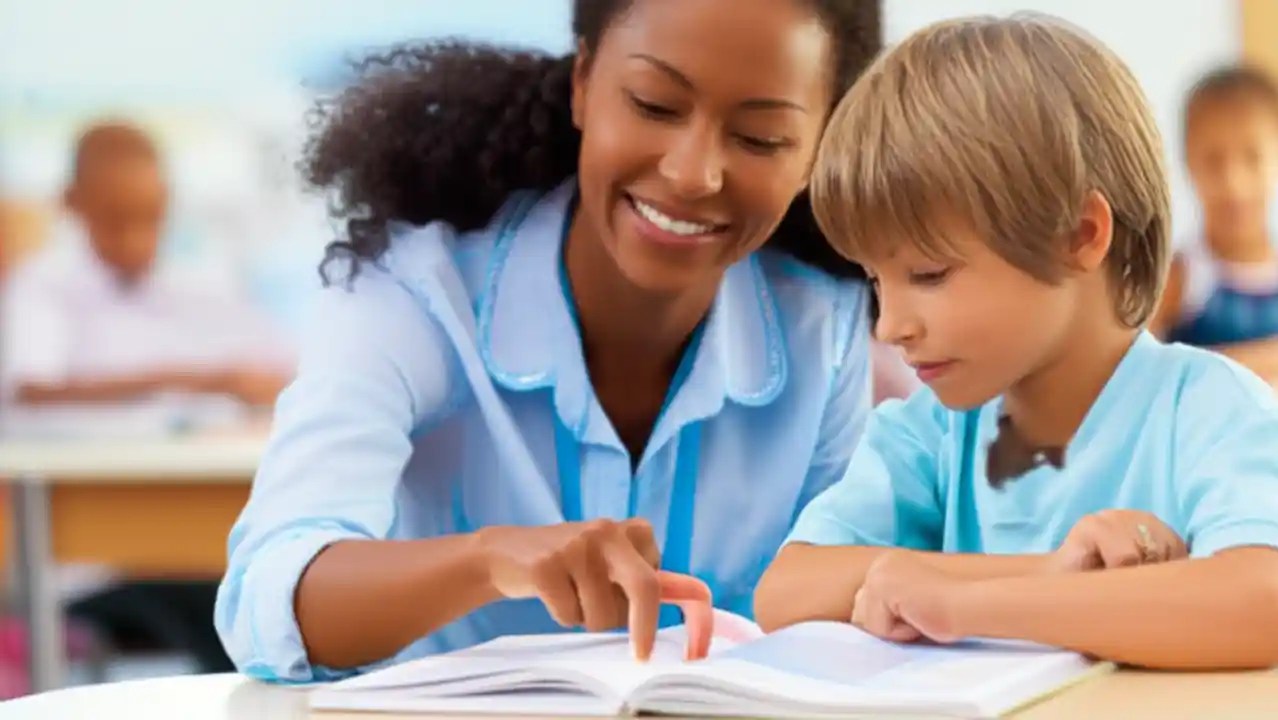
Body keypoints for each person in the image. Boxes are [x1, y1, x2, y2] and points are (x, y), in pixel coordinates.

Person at [215, 0, 882, 682]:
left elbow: (840, 616)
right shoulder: (414, 293)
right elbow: (269, 606)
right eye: (654, 105)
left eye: (761, 139)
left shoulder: (824, 327)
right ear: (583, 83)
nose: (693, 173)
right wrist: (487, 561)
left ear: (818, 150)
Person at [755, 14, 1278, 670]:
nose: (889, 327)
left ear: (1079, 236)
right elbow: (786, 592)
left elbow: (1262, 601)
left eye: (928, 274)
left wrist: (964, 604)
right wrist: (1051, 574)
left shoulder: (1209, 409)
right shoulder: (928, 433)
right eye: (875, 281)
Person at [0, 121, 292, 410]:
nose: (135, 241)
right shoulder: (43, 286)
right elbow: (30, 392)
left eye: (151, 218)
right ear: (72, 201)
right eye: (115, 220)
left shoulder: (202, 287)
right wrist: (195, 383)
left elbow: (278, 371)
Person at [1150, 66, 1278, 381]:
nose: (1234, 183)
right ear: (1187, 162)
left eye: (1252, 157)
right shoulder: (1178, 278)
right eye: (1213, 160)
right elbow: (1140, 373)